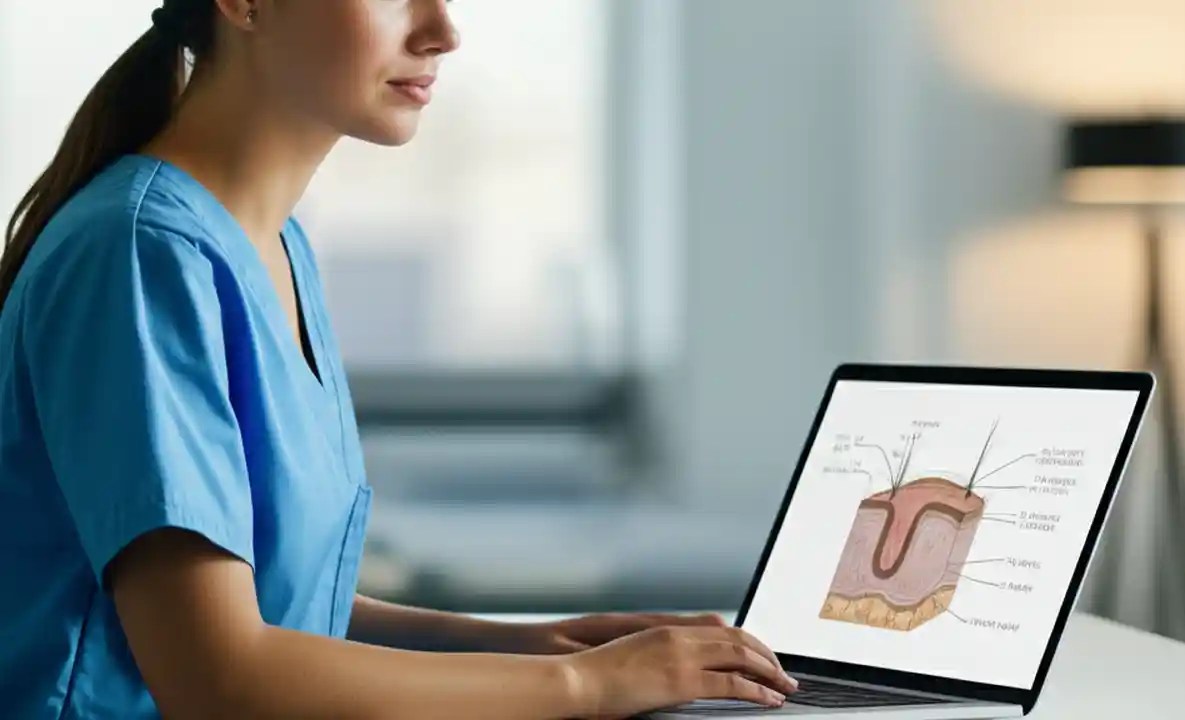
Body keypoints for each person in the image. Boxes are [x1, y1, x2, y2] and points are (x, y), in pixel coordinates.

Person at [0, 1, 799, 717]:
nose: (442, 31)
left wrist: (534, 646)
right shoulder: (141, 255)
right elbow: (218, 676)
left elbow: (280, 608)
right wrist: (589, 688)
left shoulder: (273, 246)